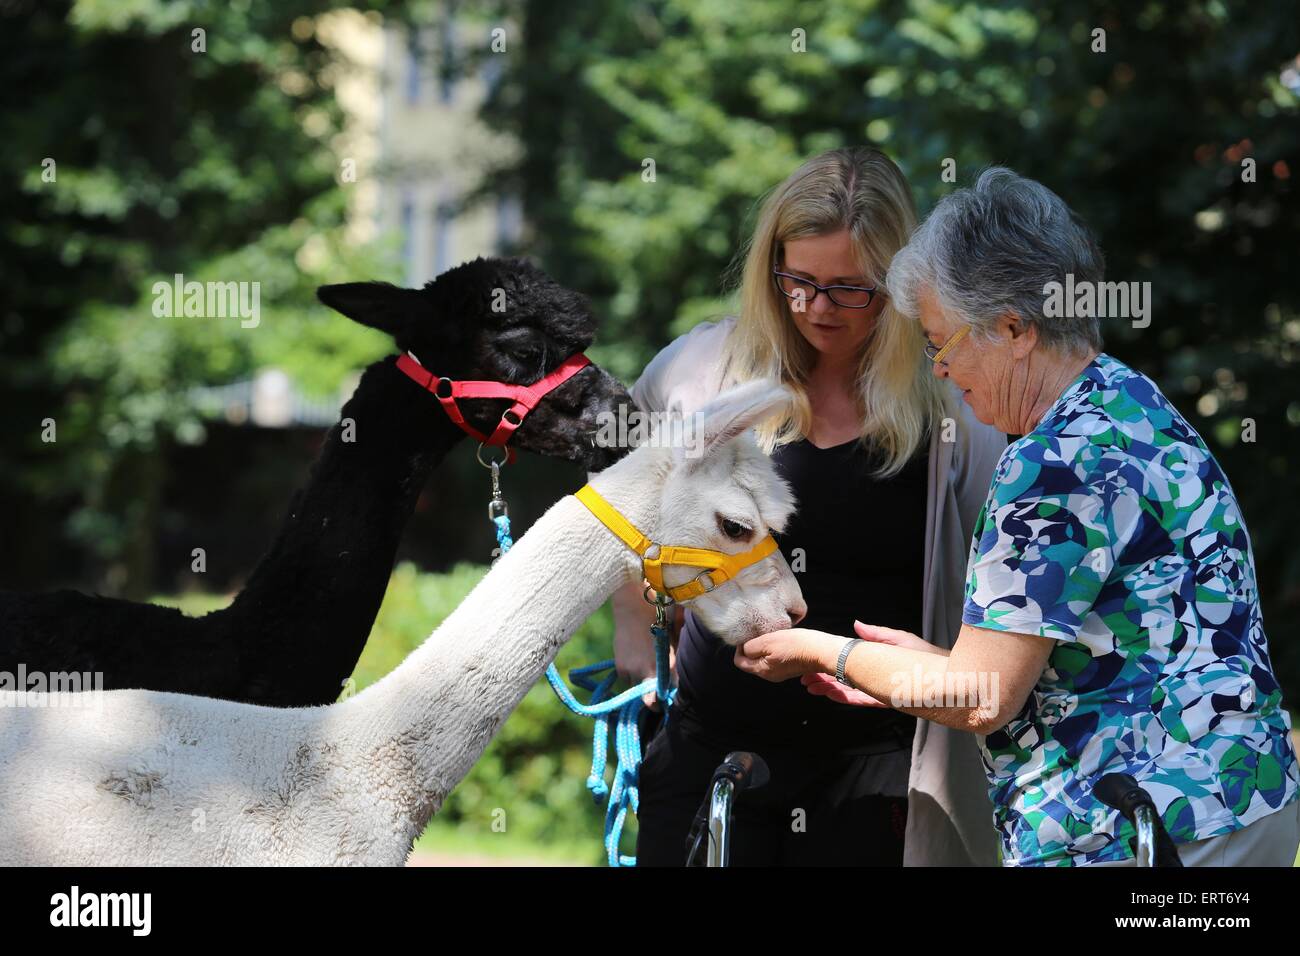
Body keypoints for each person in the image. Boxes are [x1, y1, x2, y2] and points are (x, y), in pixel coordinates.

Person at [737, 168, 1300, 866]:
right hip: (1244, 800)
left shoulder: (1050, 464)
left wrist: (824, 652)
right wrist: (934, 664)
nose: (939, 368)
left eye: (944, 342)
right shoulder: (1127, 400)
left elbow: (981, 700)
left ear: (1013, 328)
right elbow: (1099, 658)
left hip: (1142, 829)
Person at [615, 147, 1006, 866]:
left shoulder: (957, 400)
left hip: (880, 772)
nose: (817, 308)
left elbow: (1008, 581)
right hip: (710, 755)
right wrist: (637, 641)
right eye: (798, 282)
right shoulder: (701, 370)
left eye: (849, 289)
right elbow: (618, 491)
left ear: (900, 285)